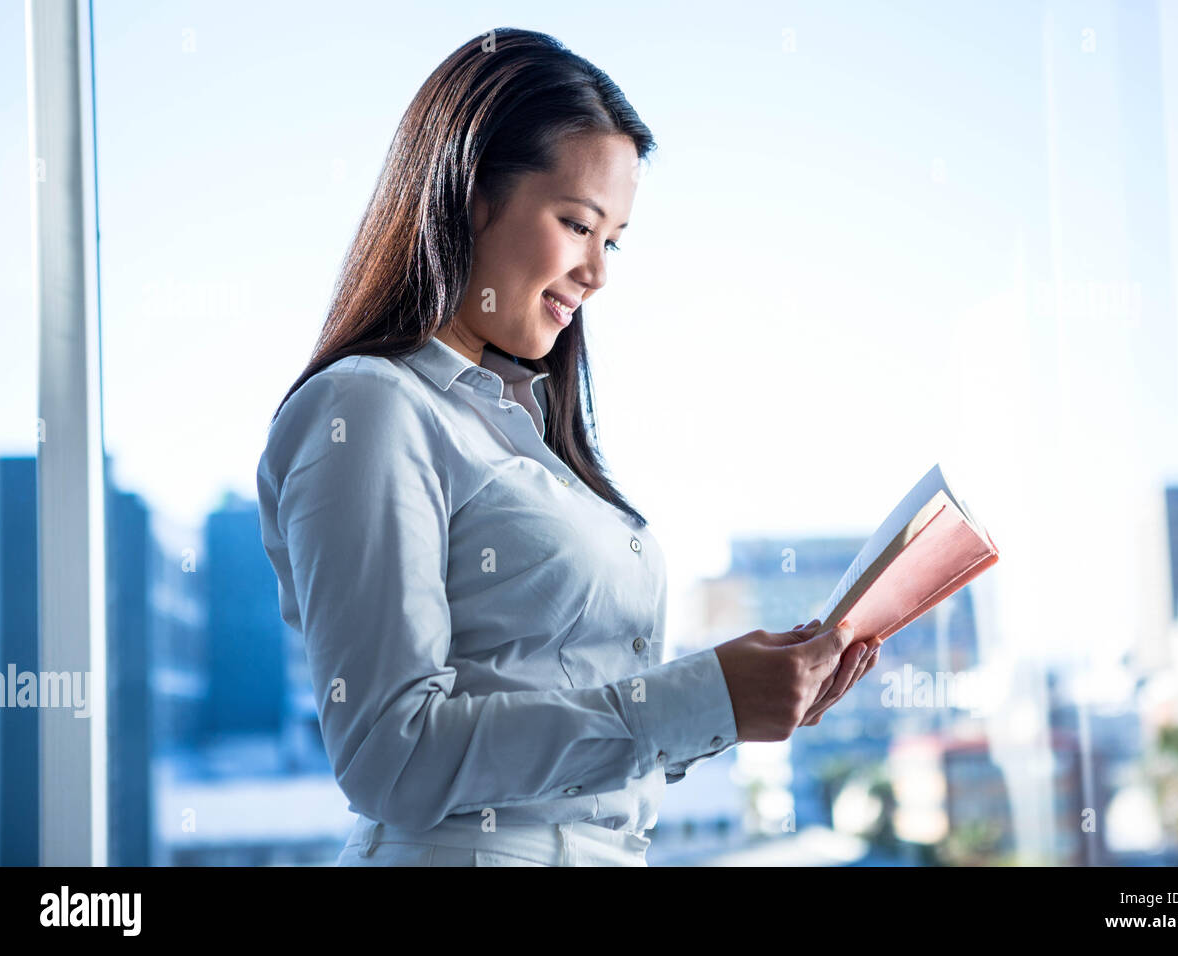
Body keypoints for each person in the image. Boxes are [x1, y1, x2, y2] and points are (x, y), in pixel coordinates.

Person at [256, 26, 881, 868]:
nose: (598, 273)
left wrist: (740, 701)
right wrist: (706, 699)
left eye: (612, 240)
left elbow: (574, 727)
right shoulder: (367, 408)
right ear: (472, 195)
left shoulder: (518, 426)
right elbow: (389, 753)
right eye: (578, 225)